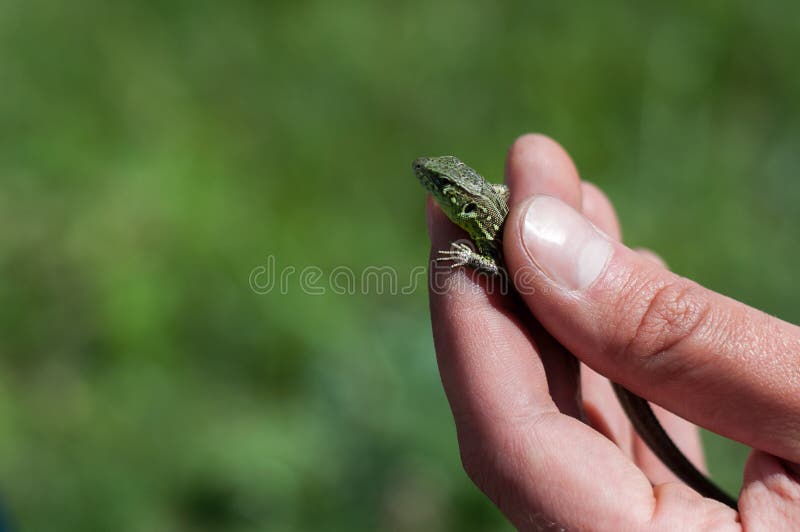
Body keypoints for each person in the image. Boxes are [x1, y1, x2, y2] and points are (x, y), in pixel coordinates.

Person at [425, 134, 800, 529]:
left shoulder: (492, 234)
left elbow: (504, 275)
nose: (429, 183)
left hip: (569, 321)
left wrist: (470, 259)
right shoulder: (493, 214)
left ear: (467, 202)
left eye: (439, 184)